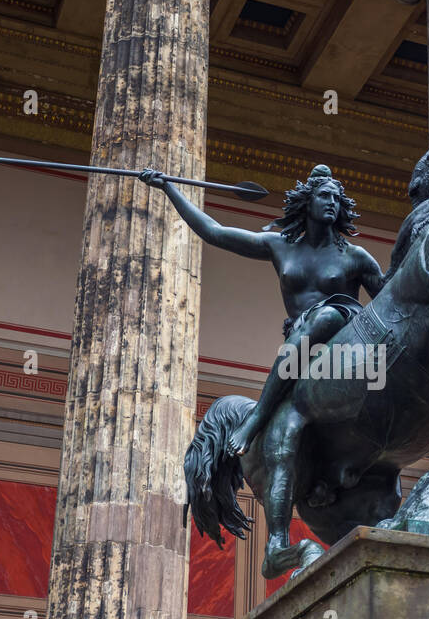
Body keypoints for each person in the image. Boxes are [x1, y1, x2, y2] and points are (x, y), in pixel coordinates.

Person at [140, 164, 385, 456]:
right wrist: (168, 188)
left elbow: (387, 302)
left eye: (335, 199)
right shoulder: (279, 246)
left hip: (344, 335)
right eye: (324, 196)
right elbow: (213, 232)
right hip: (302, 342)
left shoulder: (356, 256)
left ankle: (256, 418)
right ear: (308, 202)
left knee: (326, 315)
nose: (331, 203)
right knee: (311, 326)